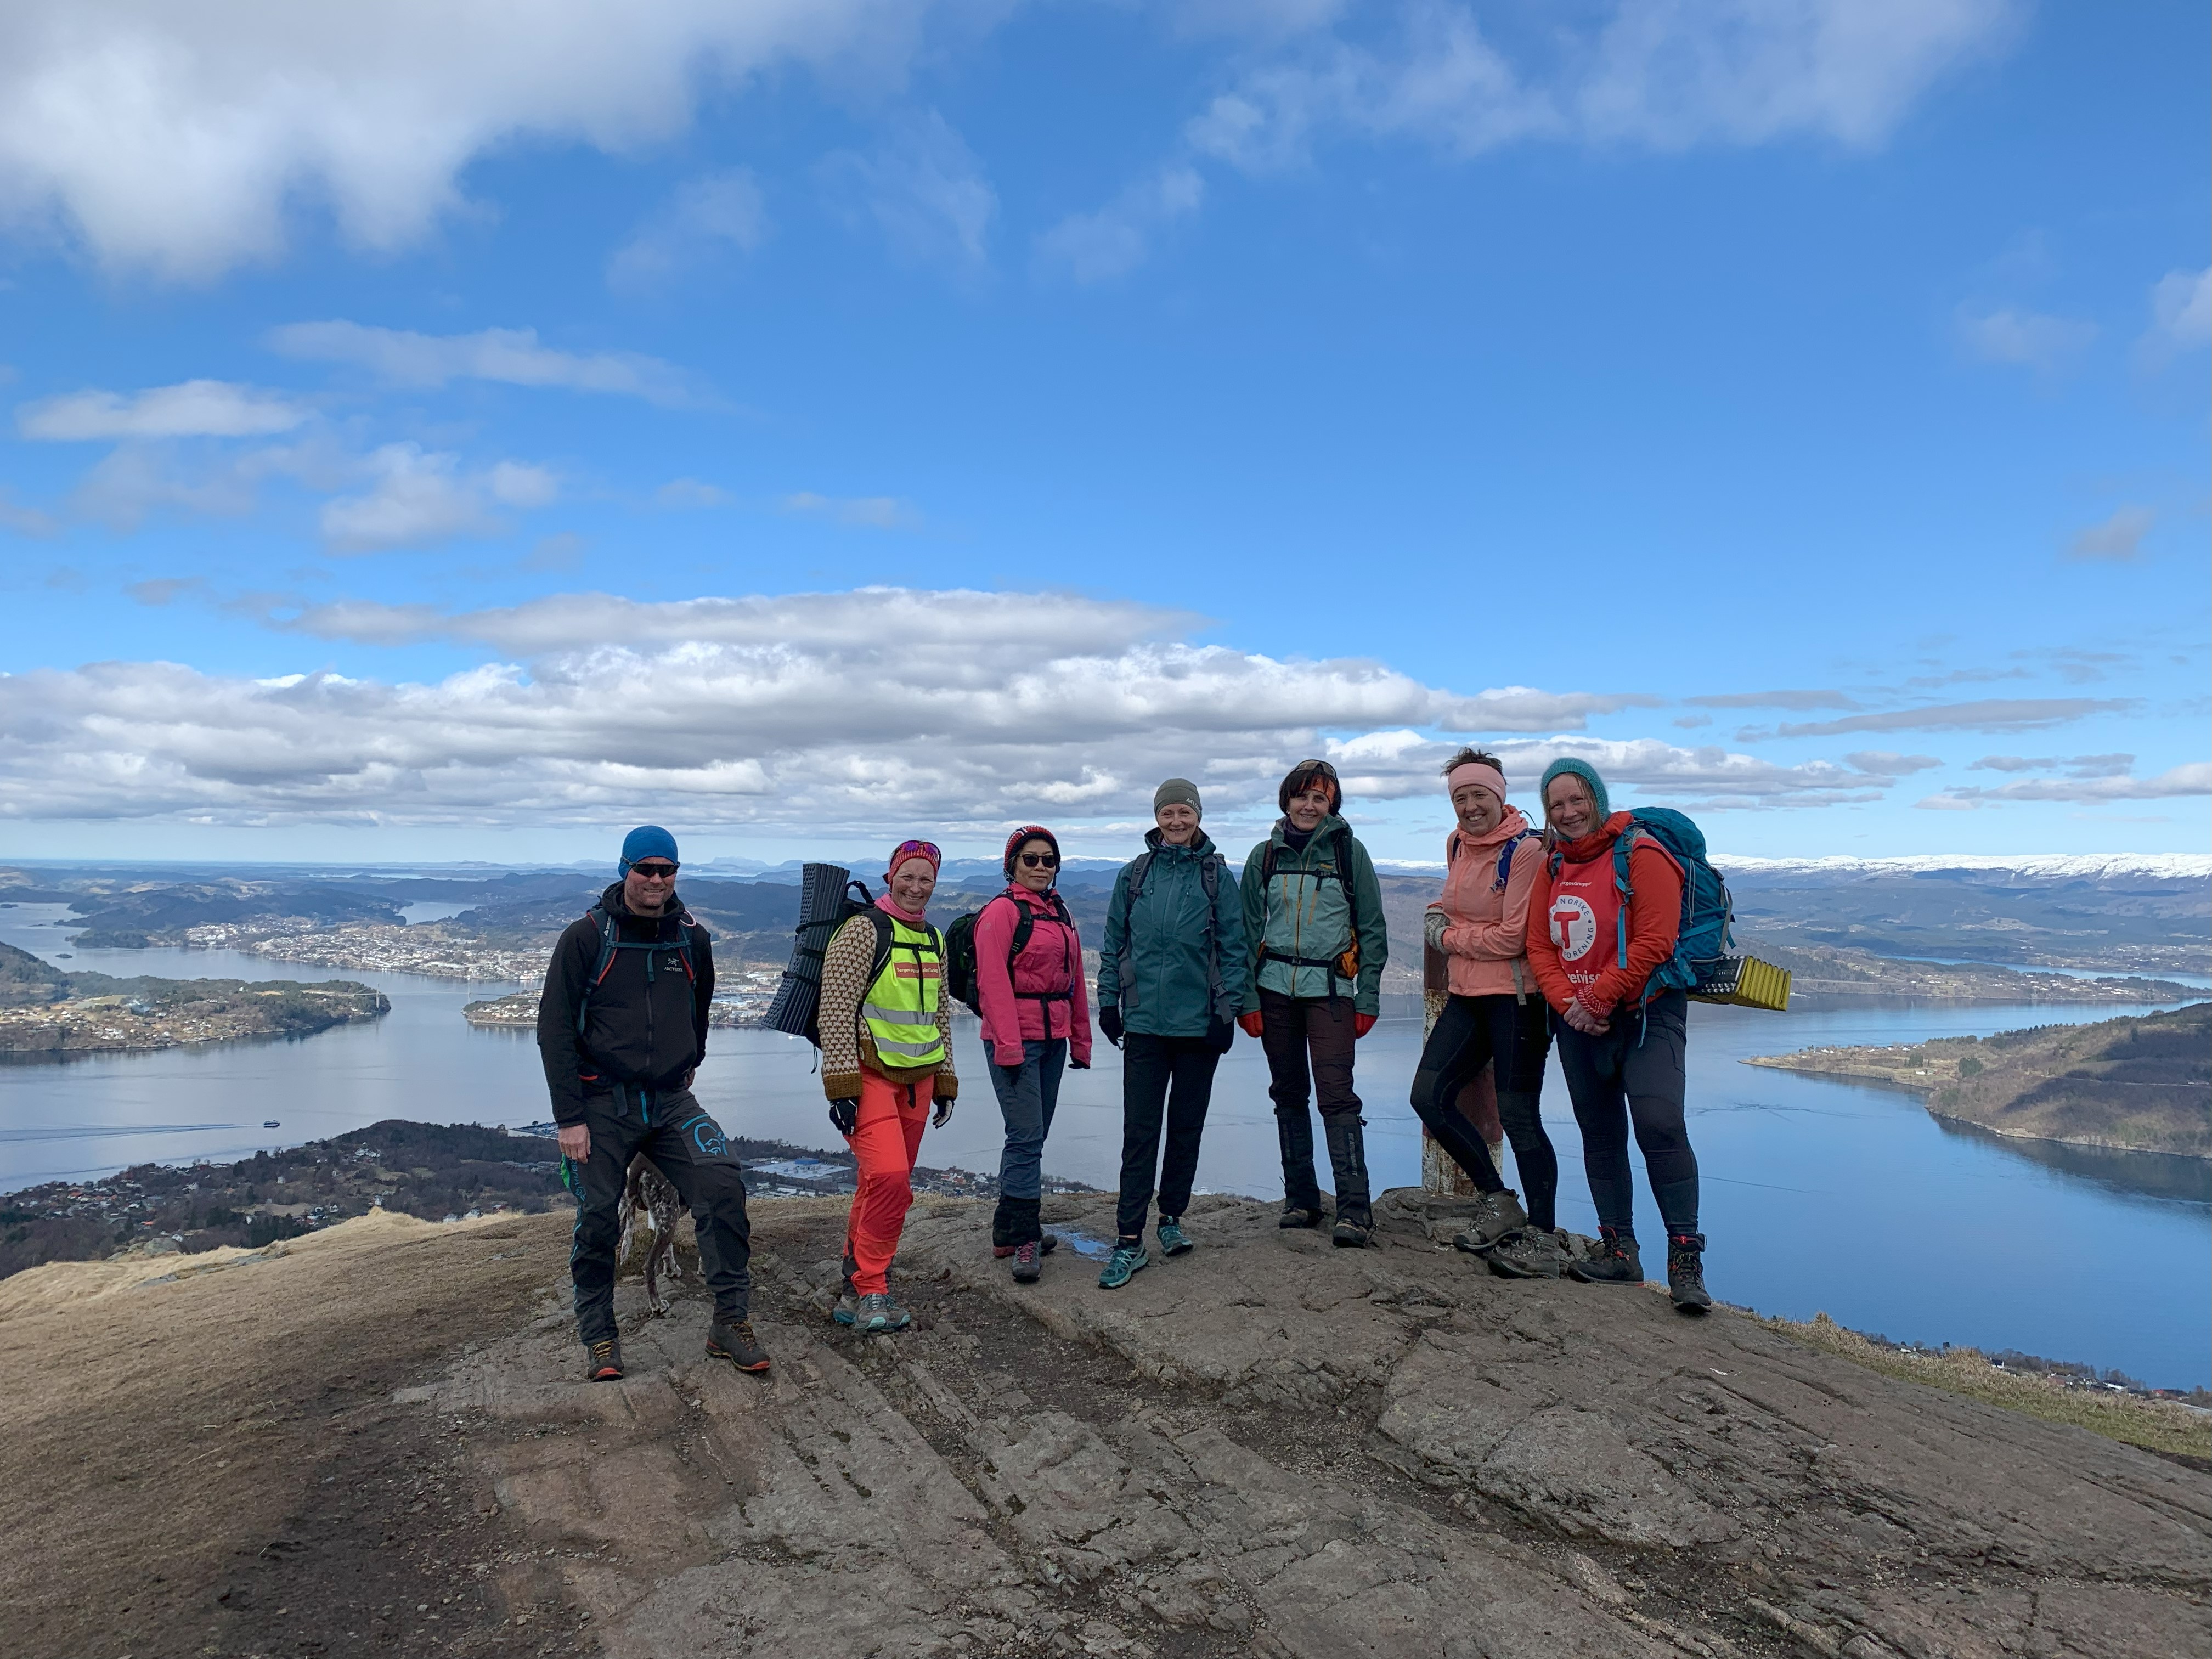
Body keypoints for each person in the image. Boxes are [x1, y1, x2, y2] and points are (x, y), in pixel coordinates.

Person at [537, 826, 768, 1380]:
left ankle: (729, 1321)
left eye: (667, 870)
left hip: (669, 1099)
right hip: (600, 1102)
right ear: (625, 870)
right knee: (597, 1215)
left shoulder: (692, 940)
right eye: (646, 869)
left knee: (722, 1186)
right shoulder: (586, 938)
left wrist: (691, 1058)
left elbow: (700, 1007)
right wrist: (570, 1118)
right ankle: (599, 1335)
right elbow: (555, 1031)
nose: (657, 880)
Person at [1523, 759, 1712, 1311]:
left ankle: (1685, 1260)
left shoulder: (1641, 853)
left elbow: (1657, 940)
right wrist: (1572, 1005)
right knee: (1600, 1134)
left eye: (1577, 799)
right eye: (1556, 804)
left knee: (1660, 1125)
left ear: (1597, 798)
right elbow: (1540, 947)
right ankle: (1619, 1251)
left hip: (1646, 1014)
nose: (1568, 812)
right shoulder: (1553, 863)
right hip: (1580, 1020)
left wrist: (1596, 998)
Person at [1411, 749, 1568, 1278]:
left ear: (1500, 796)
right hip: (1468, 995)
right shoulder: (1456, 844)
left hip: (1518, 1000)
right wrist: (1440, 913)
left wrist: (1447, 937)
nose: (1471, 806)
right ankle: (1499, 1201)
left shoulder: (1526, 851)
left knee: (1520, 1117)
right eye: (1461, 797)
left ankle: (1543, 1236)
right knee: (1428, 1097)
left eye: (1480, 795)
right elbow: (1460, 906)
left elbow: (1514, 936)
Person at [1092, 779, 1247, 1289]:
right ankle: (1129, 1240)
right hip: (1144, 1025)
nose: (1176, 821)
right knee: (1140, 1134)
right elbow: (1116, 941)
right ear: (1156, 818)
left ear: (1198, 816)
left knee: (1186, 1127)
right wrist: (1108, 1002)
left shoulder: (1217, 878)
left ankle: (1172, 1219)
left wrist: (1230, 1013)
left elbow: (1234, 945)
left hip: (1199, 1023)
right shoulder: (1133, 876)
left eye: (1184, 812)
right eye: (1168, 813)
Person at [1237, 759, 1390, 1247]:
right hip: (1275, 989)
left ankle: (1354, 1210)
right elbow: (1244, 934)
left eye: (1319, 798)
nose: (1309, 805)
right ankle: (1301, 1200)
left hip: (1331, 990)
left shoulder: (1350, 854)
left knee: (1336, 1094)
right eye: (1301, 796)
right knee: (1287, 1092)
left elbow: (1372, 929)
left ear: (1332, 805)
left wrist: (1368, 997)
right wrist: (1246, 999)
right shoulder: (1264, 856)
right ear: (1286, 801)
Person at [817, 839, 960, 1334]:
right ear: (890, 877)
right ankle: (874, 1287)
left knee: (879, 1185)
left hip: (919, 1080)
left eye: (926, 880)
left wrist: (946, 1080)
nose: (916, 887)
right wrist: (841, 1087)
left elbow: (939, 1014)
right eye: (908, 877)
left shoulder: (934, 939)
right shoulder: (863, 932)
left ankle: (852, 1285)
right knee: (894, 1180)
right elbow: (834, 1008)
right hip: (870, 1074)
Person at [975, 825, 1093, 1283]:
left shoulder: (1060, 913)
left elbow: (1074, 981)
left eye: (1049, 860)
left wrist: (1080, 1042)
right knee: (1026, 1137)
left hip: (1053, 1038)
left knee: (1031, 1135)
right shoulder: (1001, 913)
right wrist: (1007, 1046)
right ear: (1013, 865)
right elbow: (993, 985)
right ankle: (1026, 1236)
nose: (1041, 867)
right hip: (1015, 1041)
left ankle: (1008, 1230)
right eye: (1031, 859)